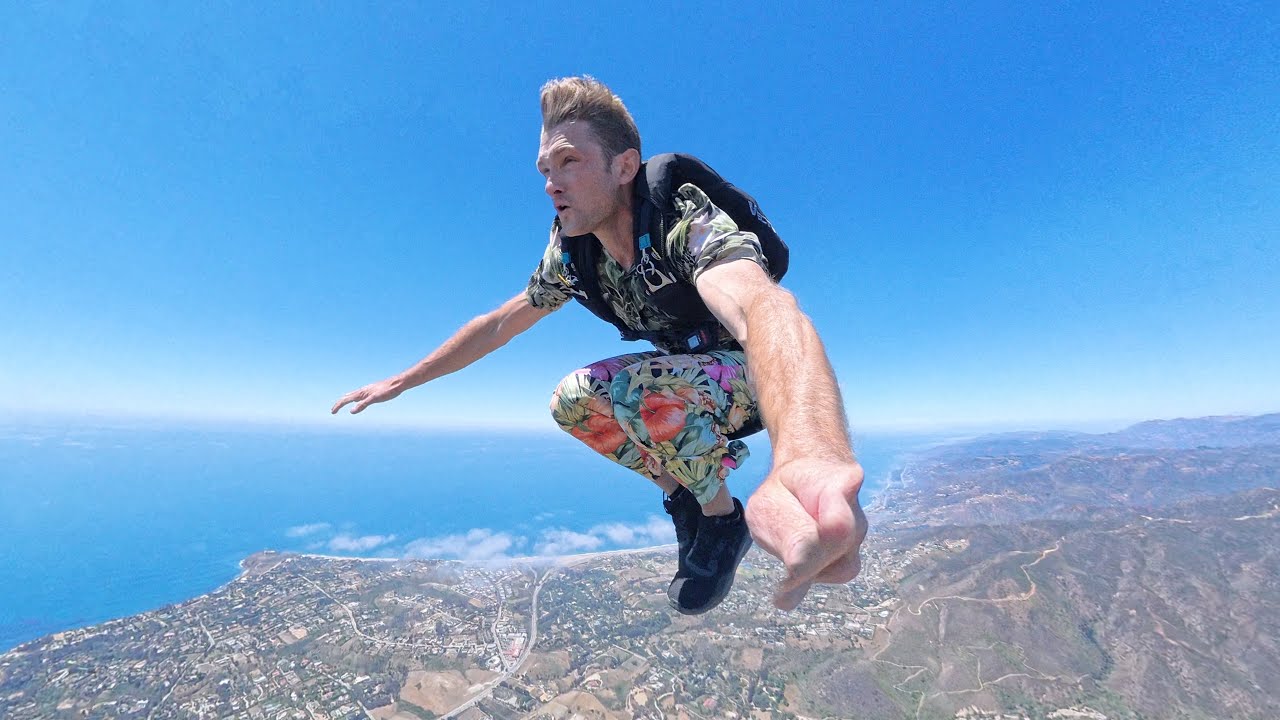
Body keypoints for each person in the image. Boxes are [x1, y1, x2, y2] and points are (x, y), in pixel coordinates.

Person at [332, 76, 866, 614]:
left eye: (569, 162)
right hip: (680, 387)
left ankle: (722, 522)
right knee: (574, 400)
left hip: (754, 376)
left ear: (624, 167)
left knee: (635, 389)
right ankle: (686, 498)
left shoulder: (679, 217)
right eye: (544, 169)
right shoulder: (573, 254)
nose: (550, 183)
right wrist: (403, 381)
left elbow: (763, 306)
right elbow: (501, 322)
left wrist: (809, 450)